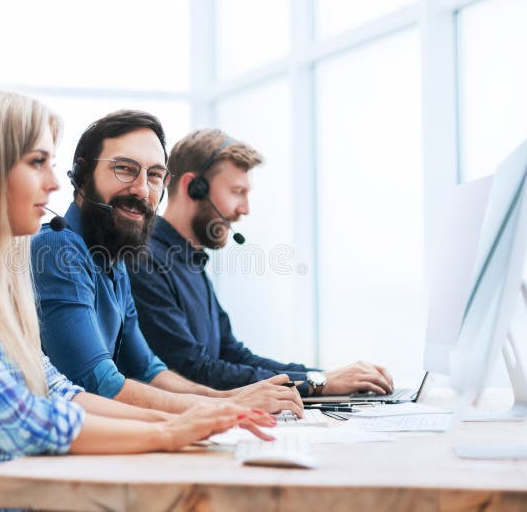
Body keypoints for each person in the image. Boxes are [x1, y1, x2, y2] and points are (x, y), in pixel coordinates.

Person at [0, 93, 273, 511]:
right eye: (38, 162)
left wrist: (191, 420)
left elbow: (57, 389)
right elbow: (22, 421)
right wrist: (172, 430)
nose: (53, 182)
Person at [31, 110, 304, 415]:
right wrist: (225, 406)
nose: (143, 189)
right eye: (124, 169)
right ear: (82, 174)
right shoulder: (57, 248)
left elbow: (150, 371)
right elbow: (100, 384)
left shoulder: (115, 259)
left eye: (155, 175)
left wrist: (231, 399)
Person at [127, 128, 394, 397]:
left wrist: (322, 376)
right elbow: (193, 370)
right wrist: (316, 383)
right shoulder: (146, 261)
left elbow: (232, 354)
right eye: (237, 191)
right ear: (193, 188)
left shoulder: (189, 261)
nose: (245, 209)